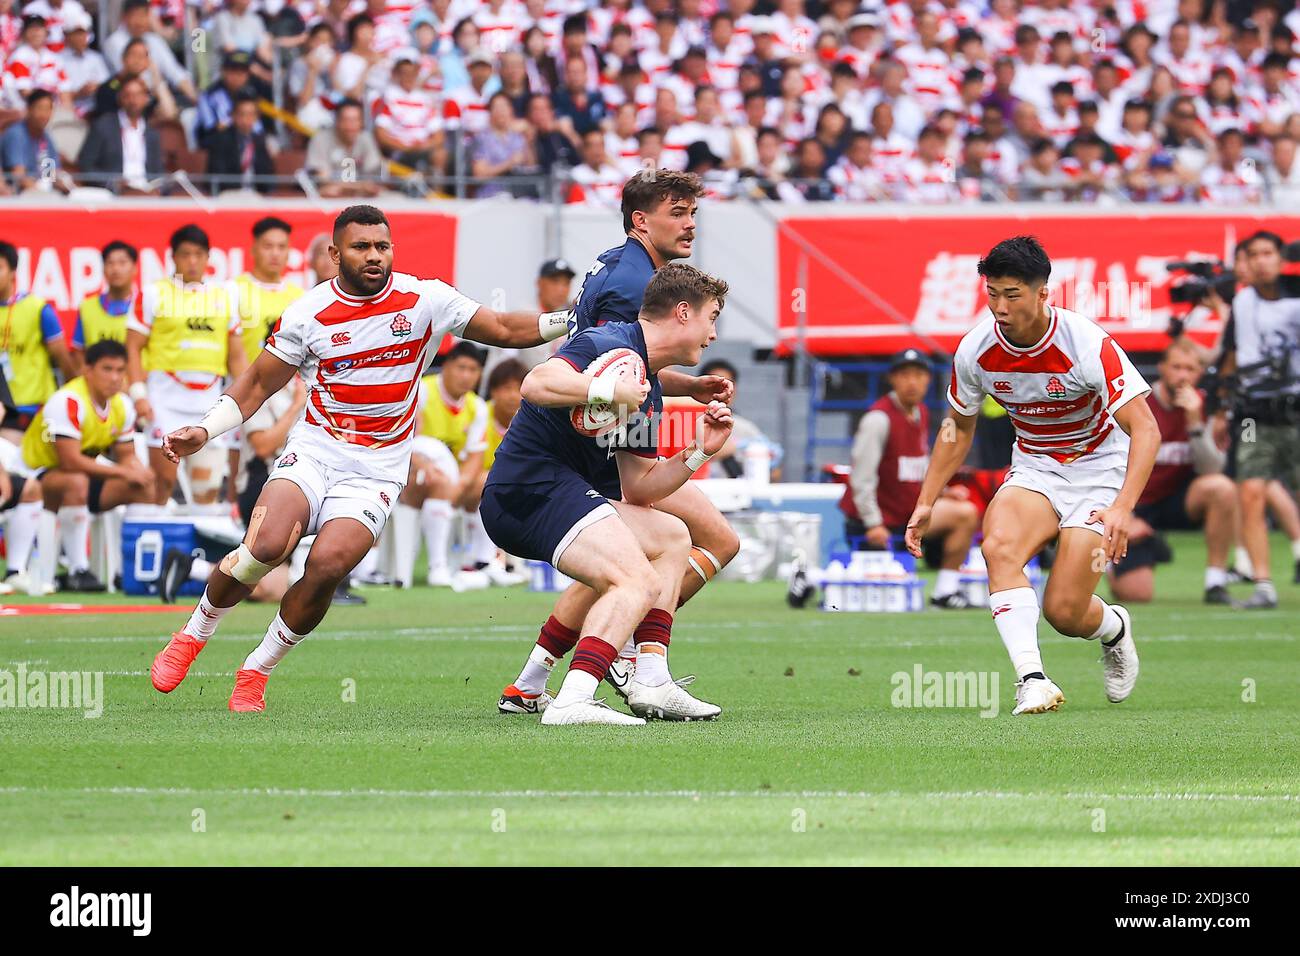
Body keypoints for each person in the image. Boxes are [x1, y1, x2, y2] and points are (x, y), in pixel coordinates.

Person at [148, 204, 575, 712]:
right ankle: (194, 634)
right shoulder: (308, 313)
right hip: (315, 451)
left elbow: (503, 327)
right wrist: (206, 427)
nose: (374, 256)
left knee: (327, 564)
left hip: (376, 469)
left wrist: (571, 319)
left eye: (382, 246)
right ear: (334, 254)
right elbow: (258, 383)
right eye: (361, 247)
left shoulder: (424, 299)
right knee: (264, 545)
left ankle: (256, 669)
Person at [498, 170, 740, 711]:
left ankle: (539, 678)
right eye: (677, 212)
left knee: (652, 545)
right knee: (674, 551)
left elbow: (638, 367)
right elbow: (609, 362)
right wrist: (622, 391)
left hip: (602, 430)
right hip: (578, 447)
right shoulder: (633, 285)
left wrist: (690, 408)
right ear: (640, 219)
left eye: (693, 213)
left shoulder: (622, 265)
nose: (690, 225)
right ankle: (627, 660)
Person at [906, 236, 1158, 716]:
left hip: (1100, 472)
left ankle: (1114, 628)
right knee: (997, 547)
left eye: (1013, 294)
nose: (999, 306)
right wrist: (927, 500)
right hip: (1036, 468)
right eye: (992, 293)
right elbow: (957, 426)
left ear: (1044, 293)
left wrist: (1123, 505)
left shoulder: (1086, 343)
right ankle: (1033, 679)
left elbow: (1145, 429)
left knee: (1064, 611)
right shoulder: (976, 349)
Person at [126, 224, 248, 506]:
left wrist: (245, 399)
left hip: (209, 402)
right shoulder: (153, 293)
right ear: (173, 257)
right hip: (164, 400)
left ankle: (197, 550)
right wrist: (138, 395)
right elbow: (132, 347)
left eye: (198, 254)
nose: (192, 261)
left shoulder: (226, 295)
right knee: (163, 483)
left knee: (207, 487)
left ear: (208, 258)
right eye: (185, 254)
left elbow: (237, 355)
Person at [1109, 340, 1238, 604]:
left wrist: (1194, 423)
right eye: (1176, 367)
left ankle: (1215, 582)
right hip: (1133, 501)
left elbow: (1212, 469)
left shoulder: (1204, 405)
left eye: (1190, 369)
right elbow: (1109, 462)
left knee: (1221, 488)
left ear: (1199, 374)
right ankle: (1120, 556)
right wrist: (1126, 514)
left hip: (1175, 500)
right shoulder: (1139, 402)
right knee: (1136, 594)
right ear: (1162, 368)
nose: (1182, 375)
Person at [850, 348, 981, 608]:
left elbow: (916, 468)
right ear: (892, 379)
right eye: (905, 375)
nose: (912, 382)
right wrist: (872, 523)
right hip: (884, 518)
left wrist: (942, 494)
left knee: (965, 511)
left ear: (928, 380)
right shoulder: (879, 419)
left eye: (919, 375)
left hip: (908, 512)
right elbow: (861, 477)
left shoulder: (920, 413)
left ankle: (945, 590)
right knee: (963, 513)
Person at [20, 340, 154, 591]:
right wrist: (123, 470)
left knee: (144, 487)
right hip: (37, 475)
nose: (115, 378)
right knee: (76, 481)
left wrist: (135, 470)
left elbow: (126, 454)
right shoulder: (68, 400)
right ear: (87, 370)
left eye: (120, 370)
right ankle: (77, 569)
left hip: (85, 475)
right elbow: (69, 461)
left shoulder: (122, 404)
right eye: (107, 369)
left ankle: (129, 569)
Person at [1216, 230, 1300, 607]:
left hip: (1296, 407)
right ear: (1245, 263)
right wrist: (1220, 407)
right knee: (1249, 490)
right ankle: (1264, 583)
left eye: (1269, 253)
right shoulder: (1243, 303)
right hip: (1253, 414)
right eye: (1254, 255)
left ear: (1281, 258)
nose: (1262, 261)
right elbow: (1232, 353)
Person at [397, 340, 489, 587]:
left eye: (473, 370)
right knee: (435, 477)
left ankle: (483, 561)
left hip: (450, 477)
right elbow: (404, 444)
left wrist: (460, 485)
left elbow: (475, 458)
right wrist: (426, 466)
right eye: (461, 368)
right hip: (410, 474)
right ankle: (437, 566)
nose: (466, 376)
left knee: (487, 482)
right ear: (446, 366)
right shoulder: (423, 391)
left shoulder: (476, 407)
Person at [235, 217, 305, 365]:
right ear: (253, 249)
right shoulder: (233, 290)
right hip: (242, 383)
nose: (275, 253)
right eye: (268, 246)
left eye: (281, 247)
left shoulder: (300, 297)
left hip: (289, 386)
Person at [697, 358, 782, 479]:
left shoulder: (745, 428)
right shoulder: (688, 423)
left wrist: (768, 462)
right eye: (715, 385)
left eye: (728, 384)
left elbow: (774, 474)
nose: (722, 391)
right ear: (700, 388)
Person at [76, 75, 162, 191]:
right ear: (120, 98)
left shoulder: (152, 133)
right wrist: (112, 183)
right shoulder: (103, 126)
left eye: (138, 95)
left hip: (146, 195)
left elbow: (157, 172)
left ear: (146, 99)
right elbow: (86, 164)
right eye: (128, 95)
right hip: (114, 196)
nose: (133, 100)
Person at [73, 241, 141, 353]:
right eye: (110, 263)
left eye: (122, 263)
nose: (116, 269)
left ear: (135, 268)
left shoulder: (147, 306)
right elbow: (79, 352)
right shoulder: (87, 308)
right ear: (103, 269)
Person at [205, 93, 274, 193]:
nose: (246, 120)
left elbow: (268, 177)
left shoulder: (260, 141)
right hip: (229, 195)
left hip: (255, 196)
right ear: (233, 115)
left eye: (251, 114)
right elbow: (218, 175)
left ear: (256, 117)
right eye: (242, 114)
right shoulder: (220, 140)